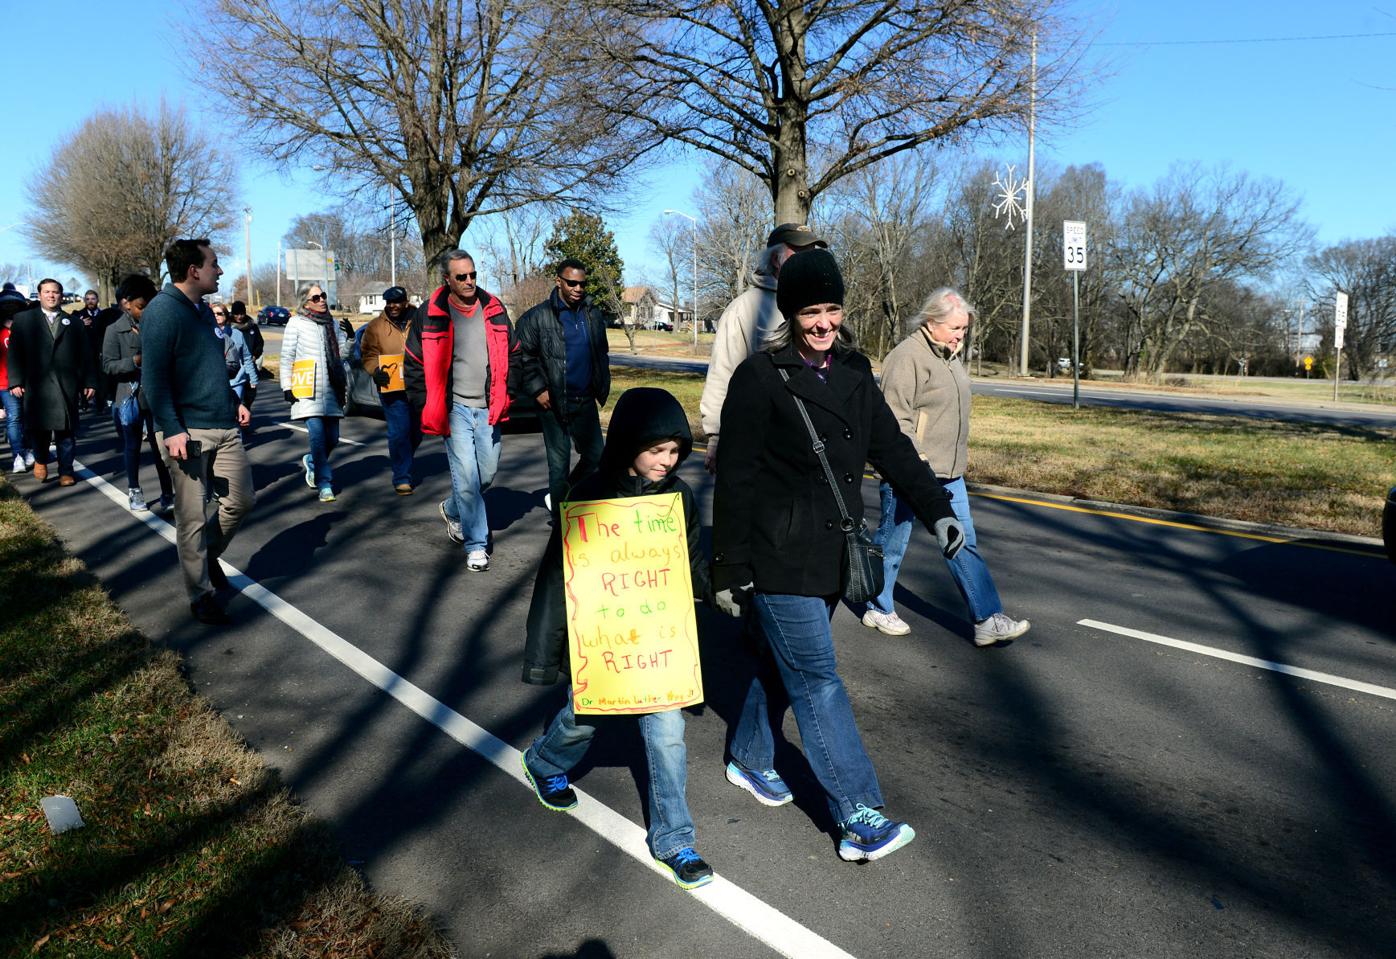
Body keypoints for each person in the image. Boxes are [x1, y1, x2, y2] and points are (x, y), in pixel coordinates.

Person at [711, 249, 965, 863]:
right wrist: (730, 567)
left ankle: (747, 757)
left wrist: (938, 510)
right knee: (819, 681)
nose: (823, 323)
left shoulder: (854, 370)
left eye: (831, 309)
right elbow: (736, 478)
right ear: (791, 314)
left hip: (833, 556)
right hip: (778, 559)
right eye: (809, 312)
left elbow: (895, 450)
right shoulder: (760, 377)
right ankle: (858, 815)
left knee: (782, 664)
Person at [520, 387, 716, 890]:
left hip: (658, 643)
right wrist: (545, 655)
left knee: (667, 731)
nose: (667, 462)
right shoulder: (588, 496)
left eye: (675, 452)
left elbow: (691, 562)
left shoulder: (679, 497)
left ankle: (675, 840)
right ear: (629, 443)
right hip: (602, 643)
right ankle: (544, 760)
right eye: (657, 450)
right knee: (586, 719)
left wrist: (718, 588)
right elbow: (555, 580)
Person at [864, 289, 1031, 644]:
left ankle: (987, 619)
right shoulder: (906, 357)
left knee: (963, 542)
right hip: (909, 473)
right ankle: (878, 606)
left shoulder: (950, 356)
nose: (961, 335)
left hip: (951, 474)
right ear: (931, 322)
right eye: (956, 328)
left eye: (965, 329)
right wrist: (917, 465)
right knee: (892, 544)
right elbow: (895, 421)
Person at [140, 239, 254, 626]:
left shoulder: (203, 312)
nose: (219, 271)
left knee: (241, 501)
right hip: (186, 431)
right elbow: (153, 379)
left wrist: (232, 400)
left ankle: (206, 556)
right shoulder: (162, 311)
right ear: (193, 271)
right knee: (190, 516)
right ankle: (201, 594)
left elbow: (210, 367)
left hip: (223, 422)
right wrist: (171, 429)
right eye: (214, 264)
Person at [404, 250, 517, 571]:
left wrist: (512, 390)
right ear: (447, 280)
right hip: (454, 408)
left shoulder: (493, 308)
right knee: (467, 476)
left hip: (490, 407)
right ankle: (476, 544)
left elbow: (516, 351)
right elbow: (412, 363)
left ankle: (453, 508)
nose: (469, 282)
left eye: (473, 275)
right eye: (462, 277)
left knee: (488, 473)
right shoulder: (431, 312)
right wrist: (426, 404)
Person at [698, 223, 826, 473]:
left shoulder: (822, 310)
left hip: (813, 445)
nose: (809, 260)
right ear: (777, 260)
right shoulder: (744, 309)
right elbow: (722, 373)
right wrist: (716, 436)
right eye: (799, 253)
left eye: (813, 253)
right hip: (761, 444)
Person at [516, 258, 610, 510]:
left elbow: (601, 354)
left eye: (582, 284)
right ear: (559, 281)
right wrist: (538, 389)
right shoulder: (536, 317)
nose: (578, 289)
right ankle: (561, 522)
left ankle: (565, 496)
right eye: (572, 283)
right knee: (558, 464)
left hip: (585, 399)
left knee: (596, 457)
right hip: (553, 401)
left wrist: (601, 384)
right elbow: (523, 356)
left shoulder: (593, 315)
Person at [5, 279, 95, 485]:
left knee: (66, 432)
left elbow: (86, 356)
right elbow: (14, 354)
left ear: (61, 296)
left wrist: (90, 382)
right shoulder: (24, 320)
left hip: (67, 384)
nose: (51, 296)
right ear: (40, 294)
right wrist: (16, 381)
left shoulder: (73, 322)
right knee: (39, 431)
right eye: (47, 292)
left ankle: (66, 471)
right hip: (36, 385)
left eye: (55, 292)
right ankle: (40, 460)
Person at [101, 274, 174, 513]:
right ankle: (134, 490)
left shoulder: (159, 325)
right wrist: (134, 361)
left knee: (161, 448)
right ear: (126, 304)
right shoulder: (114, 330)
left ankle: (167, 492)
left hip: (156, 396)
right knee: (132, 446)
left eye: (149, 306)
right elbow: (109, 365)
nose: (145, 312)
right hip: (129, 397)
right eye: (141, 307)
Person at [279, 284, 348, 503]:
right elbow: (287, 357)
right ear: (306, 302)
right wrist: (286, 386)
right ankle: (324, 483)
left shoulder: (332, 324)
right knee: (317, 437)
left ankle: (311, 461)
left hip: (332, 390)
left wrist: (352, 339)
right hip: (307, 390)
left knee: (333, 438)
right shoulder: (296, 323)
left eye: (323, 295)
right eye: (316, 297)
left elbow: (342, 355)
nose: (321, 300)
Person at [360, 285, 422, 494]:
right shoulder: (375, 327)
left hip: (418, 385)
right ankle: (401, 476)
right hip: (391, 387)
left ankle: (403, 458)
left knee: (416, 432)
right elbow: (368, 354)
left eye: (397, 302)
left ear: (405, 302)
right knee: (399, 432)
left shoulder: (420, 320)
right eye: (389, 302)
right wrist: (375, 370)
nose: (393, 306)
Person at [0, 288, 34, 473]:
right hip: (5, 383)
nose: (10, 308)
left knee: (28, 418)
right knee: (14, 418)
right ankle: (17, 456)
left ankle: (27, 450)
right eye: (6, 305)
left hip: (29, 381)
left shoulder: (26, 328)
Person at [212, 301, 257, 439]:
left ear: (226, 316)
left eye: (220, 313)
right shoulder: (204, 332)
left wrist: (253, 378)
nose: (217, 316)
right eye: (213, 313)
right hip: (215, 382)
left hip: (236, 381)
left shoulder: (237, 333)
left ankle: (237, 443)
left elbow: (247, 357)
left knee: (234, 412)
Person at [75, 290, 109, 414]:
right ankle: (84, 401)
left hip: (99, 352)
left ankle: (100, 403)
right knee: (84, 376)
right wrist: (80, 324)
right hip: (84, 352)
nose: (90, 301)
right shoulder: (78, 315)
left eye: (93, 299)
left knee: (101, 376)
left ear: (97, 300)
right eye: (88, 299)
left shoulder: (104, 315)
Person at [229, 300, 264, 368]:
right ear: (232, 314)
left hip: (249, 363)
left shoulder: (252, 326)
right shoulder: (227, 327)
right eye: (236, 314)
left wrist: (255, 356)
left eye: (241, 314)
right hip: (232, 364)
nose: (239, 317)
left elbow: (260, 343)